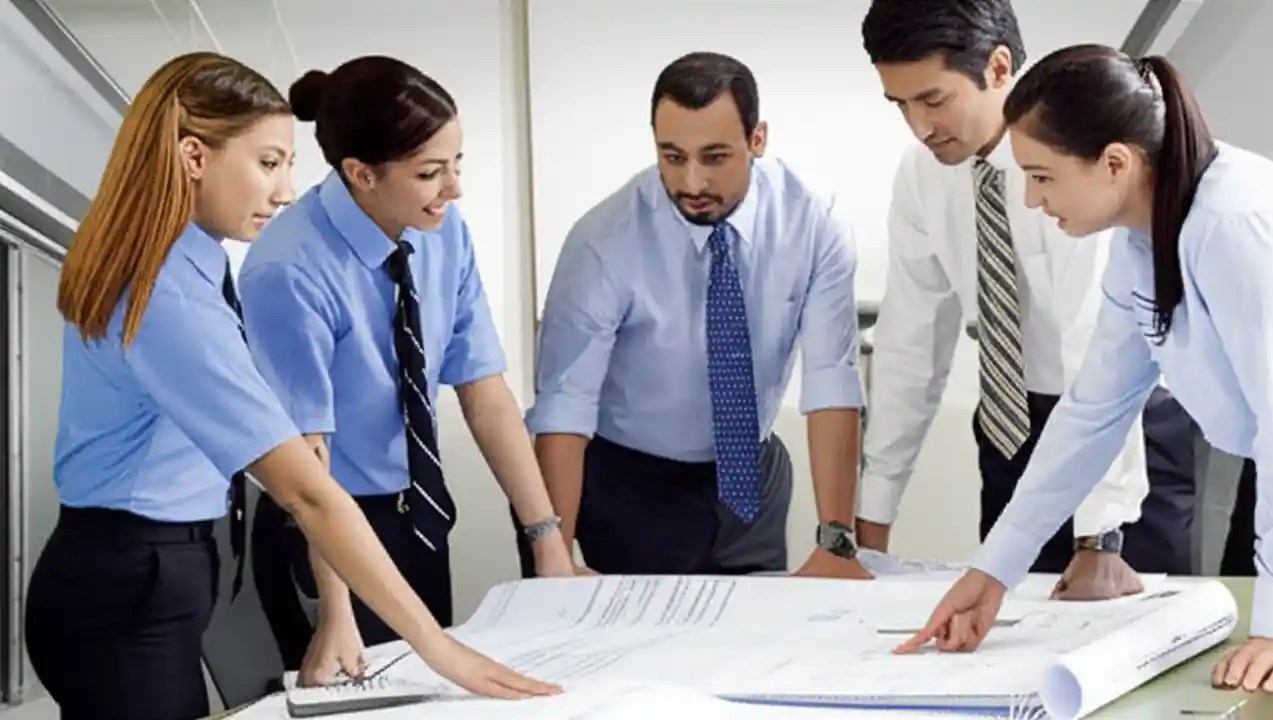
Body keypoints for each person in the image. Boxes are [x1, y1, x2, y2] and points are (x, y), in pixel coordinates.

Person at [22, 52, 558, 720]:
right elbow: (304, 487)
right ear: (194, 157)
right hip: (130, 581)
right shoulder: (166, 292)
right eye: (268, 163)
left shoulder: (185, 263)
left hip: (149, 568)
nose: (283, 191)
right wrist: (441, 651)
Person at [896, 45, 1273, 694]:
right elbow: (1092, 413)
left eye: (1042, 176)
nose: (1032, 198)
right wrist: (994, 572)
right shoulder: (1140, 240)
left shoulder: (1234, 223)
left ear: (1114, 163)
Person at [238, 55, 575, 684]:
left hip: (414, 519)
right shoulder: (289, 270)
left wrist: (547, 540)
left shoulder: (444, 233)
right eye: (430, 173)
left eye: (456, 165)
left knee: (429, 696)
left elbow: (485, 392)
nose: (454, 189)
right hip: (322, 534)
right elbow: (309, 467)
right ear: (361, 174)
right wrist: (336, 612)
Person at [856, 0, 1200, 597]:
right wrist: (870, 522)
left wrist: (1100, 537)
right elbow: (910, 349)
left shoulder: (1080, 155)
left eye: (933, 100)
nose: (919, 125)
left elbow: (1096, 356)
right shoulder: (921, 177)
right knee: (1009, 620)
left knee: (1131, 632)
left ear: (997, 67)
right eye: (900, 104)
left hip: (1127, 430)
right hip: (1012, 427)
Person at [522, 51, 868, 579]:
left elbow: (831, 382)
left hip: (748, 477)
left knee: (754, 646)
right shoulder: (603, 241)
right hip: (627, 483)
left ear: (758, 140)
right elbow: (564, 408)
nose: (692, 182)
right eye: (672, 156)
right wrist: (557, 556)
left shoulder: (812, 224)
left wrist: (837, 542)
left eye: (715, 157)